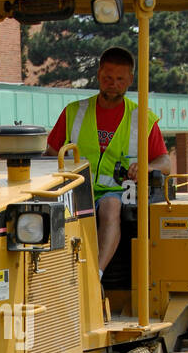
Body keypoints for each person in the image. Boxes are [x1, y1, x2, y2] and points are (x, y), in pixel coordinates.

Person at [46, 47, 171, 278]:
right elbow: (50, 153)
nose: (113, 83)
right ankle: (54, 275)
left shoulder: (141, 118)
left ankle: (96, 276)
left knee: (111, 207)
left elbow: (165, 161)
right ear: (99, 75)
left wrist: (149, 167)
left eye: (120, 79)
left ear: (130, 80)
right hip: (73, 189)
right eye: (108, 78)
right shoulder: (74, 112)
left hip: (116, 191)